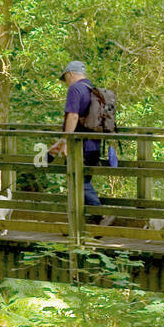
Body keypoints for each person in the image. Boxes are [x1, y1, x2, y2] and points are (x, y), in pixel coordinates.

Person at [47, 61, 118, 225]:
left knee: (79, 180)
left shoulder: (75, 89)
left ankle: (100, 215)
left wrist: (65, 140)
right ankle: (86, 223)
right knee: (82, 181)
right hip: (94, 144)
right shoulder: (92, 89)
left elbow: (73, 116)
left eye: (65, 79)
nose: (66, 84)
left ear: (70, 74)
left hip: (80, 145)